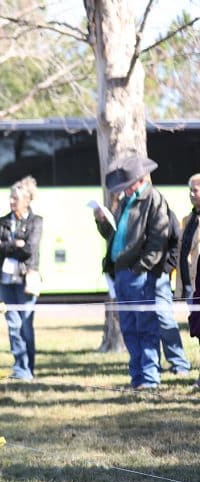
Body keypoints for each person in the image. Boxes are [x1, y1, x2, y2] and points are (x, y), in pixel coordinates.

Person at [94, 155, 174, 390]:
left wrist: (141, 268)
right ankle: (137, 376)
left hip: (139, 274)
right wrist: (102, 221)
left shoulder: (154, 200)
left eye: (126, 184)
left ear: (139, 181)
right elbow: (114, 235)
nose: (123, 189)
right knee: (128, 327)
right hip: (121, 273)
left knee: (146, 326)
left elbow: (159, 240)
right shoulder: (125, 201)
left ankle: (149, 378)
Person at [0, 176, 43, 381]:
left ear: (27, 200)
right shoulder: (4, 221)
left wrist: (7, 246)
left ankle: (29, 367)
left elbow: (29, 249)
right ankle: (20, 368)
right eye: (10, 198)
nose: (11, 202)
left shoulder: (36, 222)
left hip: (25, 279)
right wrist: (14, 245)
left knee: (25, 325)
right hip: (5, 279)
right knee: (12, 324)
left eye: (15, 198)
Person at [178, 174, 200, 387]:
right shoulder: (188, 220)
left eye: (196, 190)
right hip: (193, 285)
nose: (192, 194)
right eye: (190, 190)